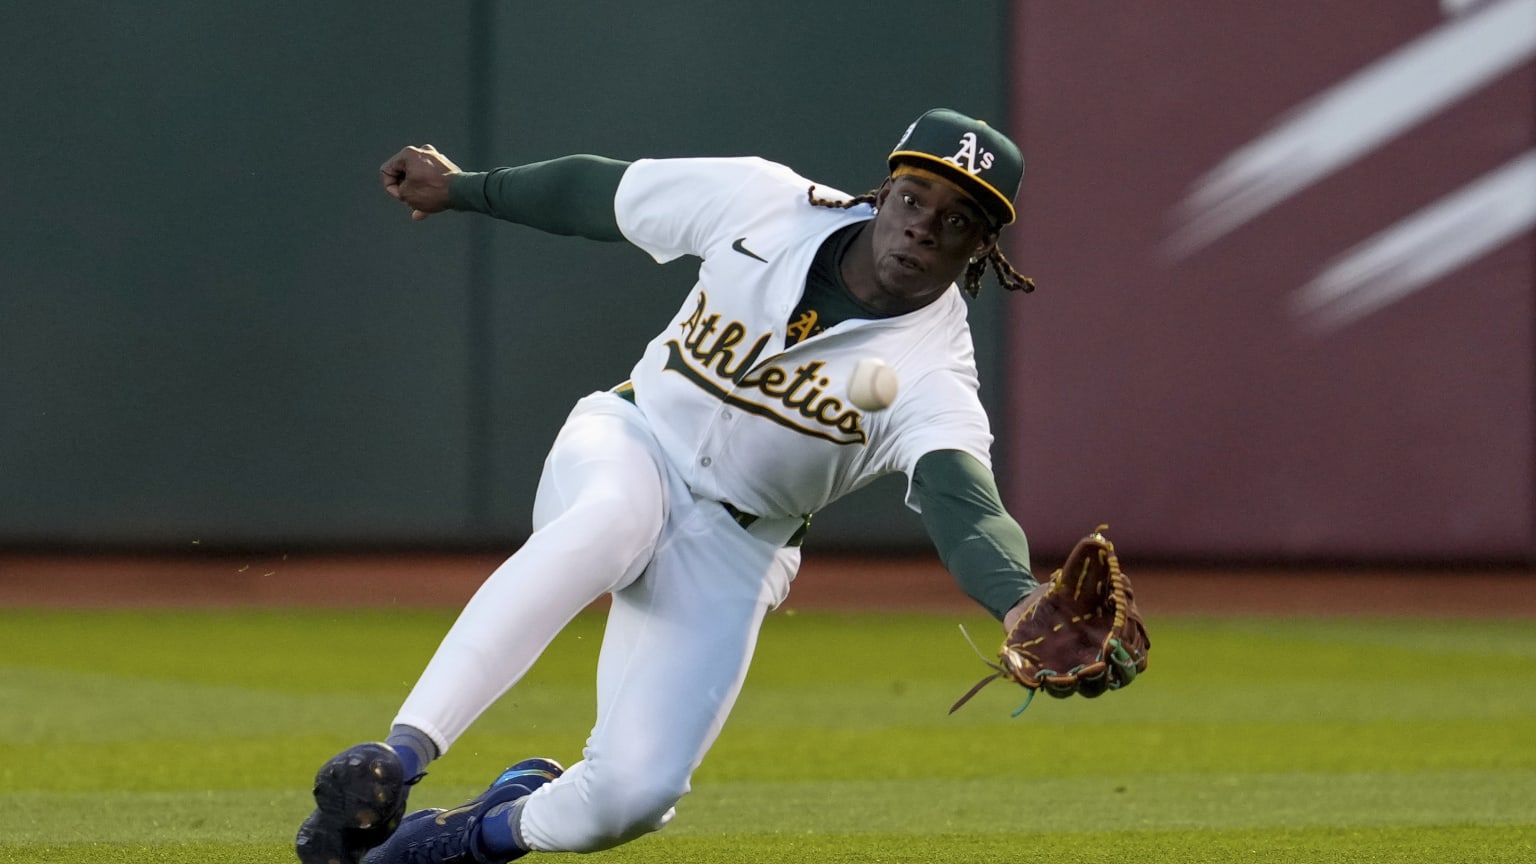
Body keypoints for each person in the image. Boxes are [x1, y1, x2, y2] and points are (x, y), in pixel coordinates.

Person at [297, 108, 1043, 864]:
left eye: (957, 220)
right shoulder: (762, 202)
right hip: (630, 441)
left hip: (737, 546)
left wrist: (1019, 601)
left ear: (981, 247)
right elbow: (600, 193)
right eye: (915, 197)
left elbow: (966, 505)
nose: (923, 226)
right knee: (609, 520)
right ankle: (399, 755)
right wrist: (465, 189)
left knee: (634, 798)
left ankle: (473, 832)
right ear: (884, 194)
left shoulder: (934, 374)